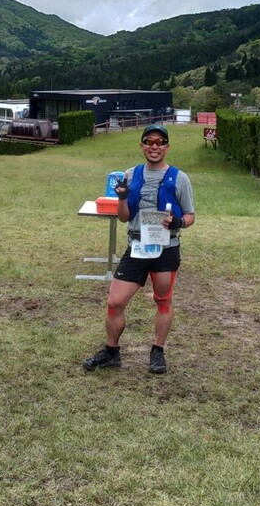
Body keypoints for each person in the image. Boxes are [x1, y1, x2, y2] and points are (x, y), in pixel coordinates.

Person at [83, 124, 195, 375]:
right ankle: (111, 352)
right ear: (142, 145)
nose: (155, 146)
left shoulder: (180, 178)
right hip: (137, 247)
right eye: (149, 141)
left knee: (163, 300)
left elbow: (190, 216)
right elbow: (124, 217)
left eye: (160, 142)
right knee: (115, 302)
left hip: (166, 248)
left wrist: (179, 223)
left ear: (167, 147)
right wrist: (122, 198)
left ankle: (158, 351)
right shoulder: (131, 175)